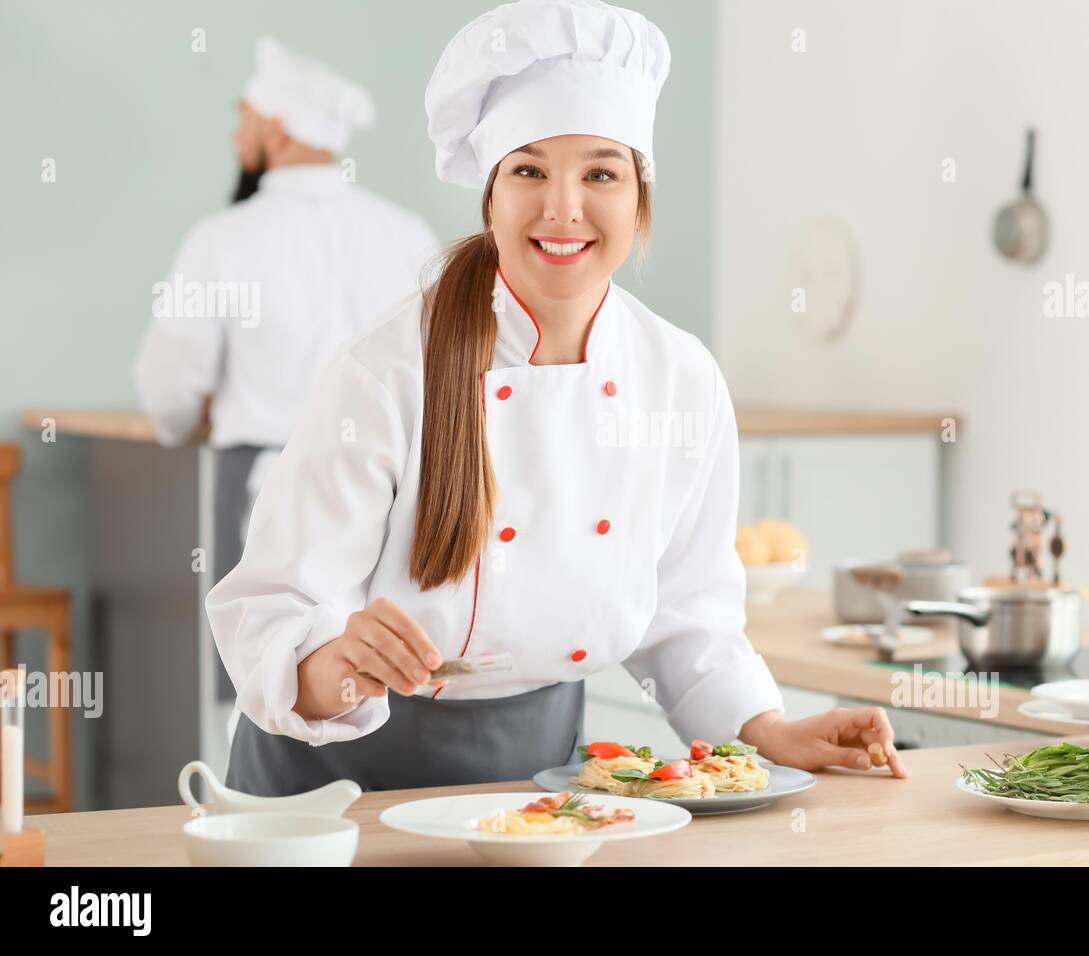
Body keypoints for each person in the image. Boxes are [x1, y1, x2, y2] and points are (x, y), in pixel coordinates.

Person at [206, 0, 909, 796]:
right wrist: (335, 664)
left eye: (601, 173)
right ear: (491, 196)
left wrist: (770, 729)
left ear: (639, 198)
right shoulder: (385, 374)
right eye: (529, 170)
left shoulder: (679, 378)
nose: (563, 208)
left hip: (540, 784)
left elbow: (687, 613)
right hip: (332, 786)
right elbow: (270, 610)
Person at [133, 36, 440, 576]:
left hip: (264, 488)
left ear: (275, 129)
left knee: (261, 655)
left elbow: (167, 391)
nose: (235, 133)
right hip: (389, 490)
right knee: (379, 653)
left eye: (243, 119)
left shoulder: (221, 238)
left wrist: (185, 417)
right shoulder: (405, 233)